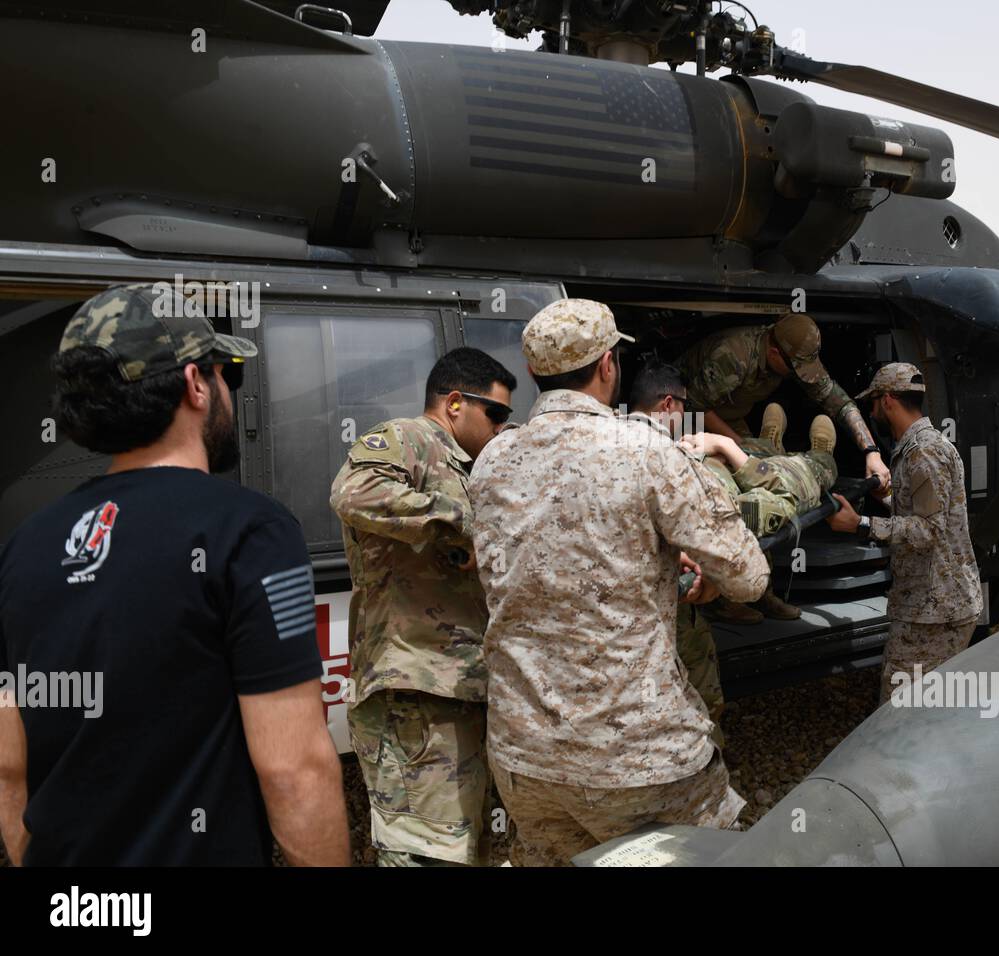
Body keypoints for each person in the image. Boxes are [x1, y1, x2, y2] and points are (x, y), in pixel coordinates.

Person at [0, 284, 348, 866]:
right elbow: (294, 769)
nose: (228, 394)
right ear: (195, 384)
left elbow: (9, 763)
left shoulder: (23, 548)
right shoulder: (252, 532)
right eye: (225, 376)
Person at [469, 298, 769, 866]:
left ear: (533, 373)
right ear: (608, 365)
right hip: (641, 758)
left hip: (524, 756)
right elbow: (750, 578)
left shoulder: (492, 459)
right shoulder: (646, 449)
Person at [330, 347, 516, 867]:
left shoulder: (467, 465)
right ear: (455, 402)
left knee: (461, 847)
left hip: (454, 687)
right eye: (496, 414)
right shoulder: (407, 438)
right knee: (426, 853)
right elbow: (355, 492)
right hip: (412, 689)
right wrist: (462, 522)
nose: (502, 428)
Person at [627, 361, 840, 738]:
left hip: (624, 625)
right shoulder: (677, 468)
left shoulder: (601, 443)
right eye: (684, 410)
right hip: (720, 507)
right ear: (668, 406)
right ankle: (820, 456)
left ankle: (768, 444)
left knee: (743, 454)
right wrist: (721, 444)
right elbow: (746, 576)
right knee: (790, 488)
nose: (686, 418)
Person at [674, 313, 886, 619]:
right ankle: (719, 597)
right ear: (774, 352)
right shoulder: (732, 355)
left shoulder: (794, 352)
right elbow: (693, 404)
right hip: (690, 419)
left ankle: (761, 591)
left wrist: (871, 451)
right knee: (729, 503)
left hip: (728, 415)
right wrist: (735, 447)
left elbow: (837, 401)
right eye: (793, 368)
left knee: (762, 502)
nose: (797, 375)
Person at [825, 363, 982, 706]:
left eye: (874, 401)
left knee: (900, 709)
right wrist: (887, 497)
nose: (871, 409)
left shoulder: (924, 452)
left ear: (889, 400)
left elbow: (928, 530)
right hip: (933, 605)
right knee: (930, 705)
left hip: (935, 611)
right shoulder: (918, 447)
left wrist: (861, 524)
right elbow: (924, 513)